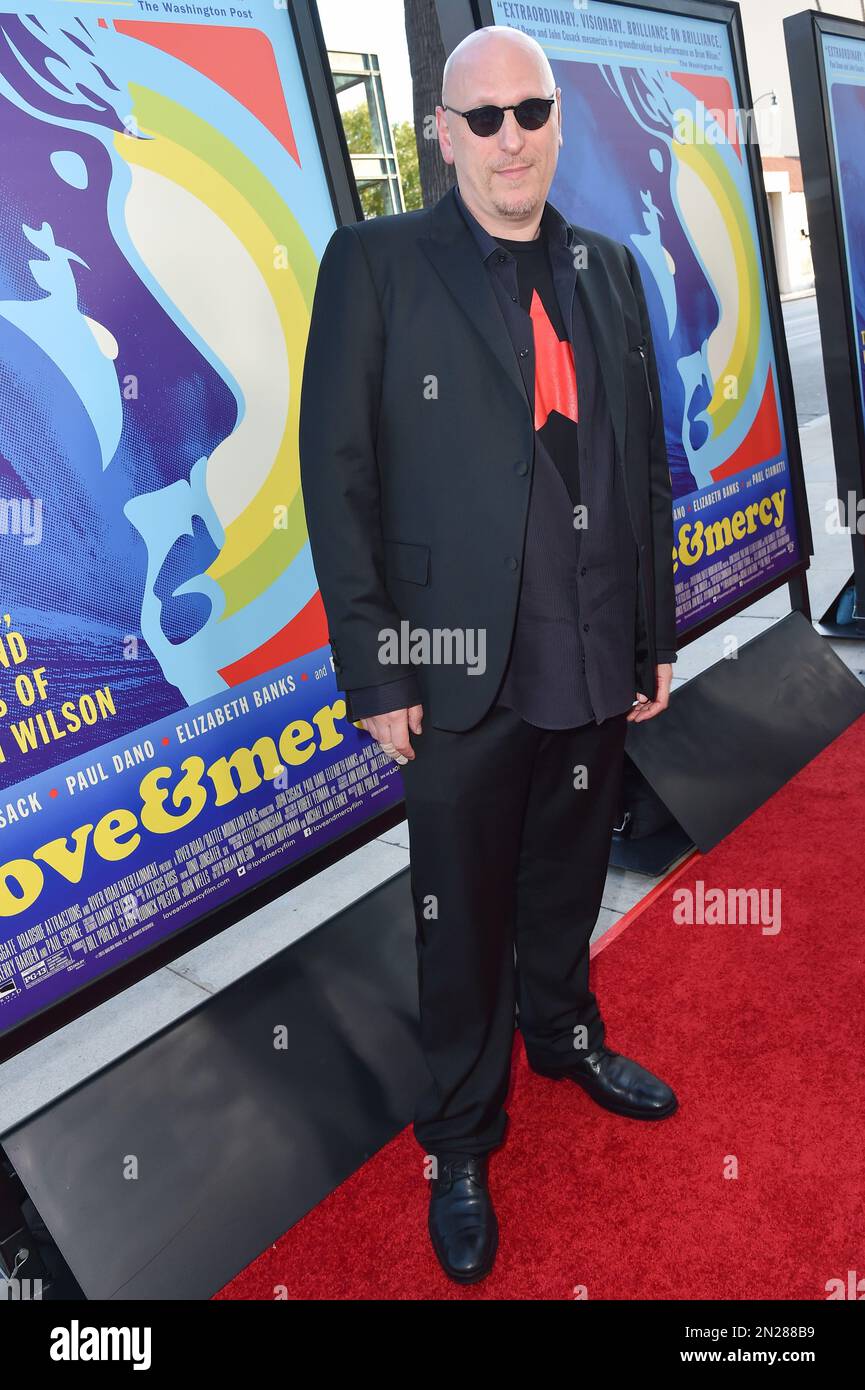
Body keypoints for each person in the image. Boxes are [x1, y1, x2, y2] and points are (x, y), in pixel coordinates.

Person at [299, 24, 678, 1285]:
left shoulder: (610, 269)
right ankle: (459, 1137)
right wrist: (378, 670)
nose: (511, 137)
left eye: (531, 110)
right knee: (456, 912)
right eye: (484, 117)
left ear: (557, 120)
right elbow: (338, 476)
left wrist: (649, 633)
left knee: (569, 871)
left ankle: (563, 1029)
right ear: (442, 134)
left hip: (588, 646)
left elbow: (643, 467)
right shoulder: (376, 263)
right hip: (455, 662)